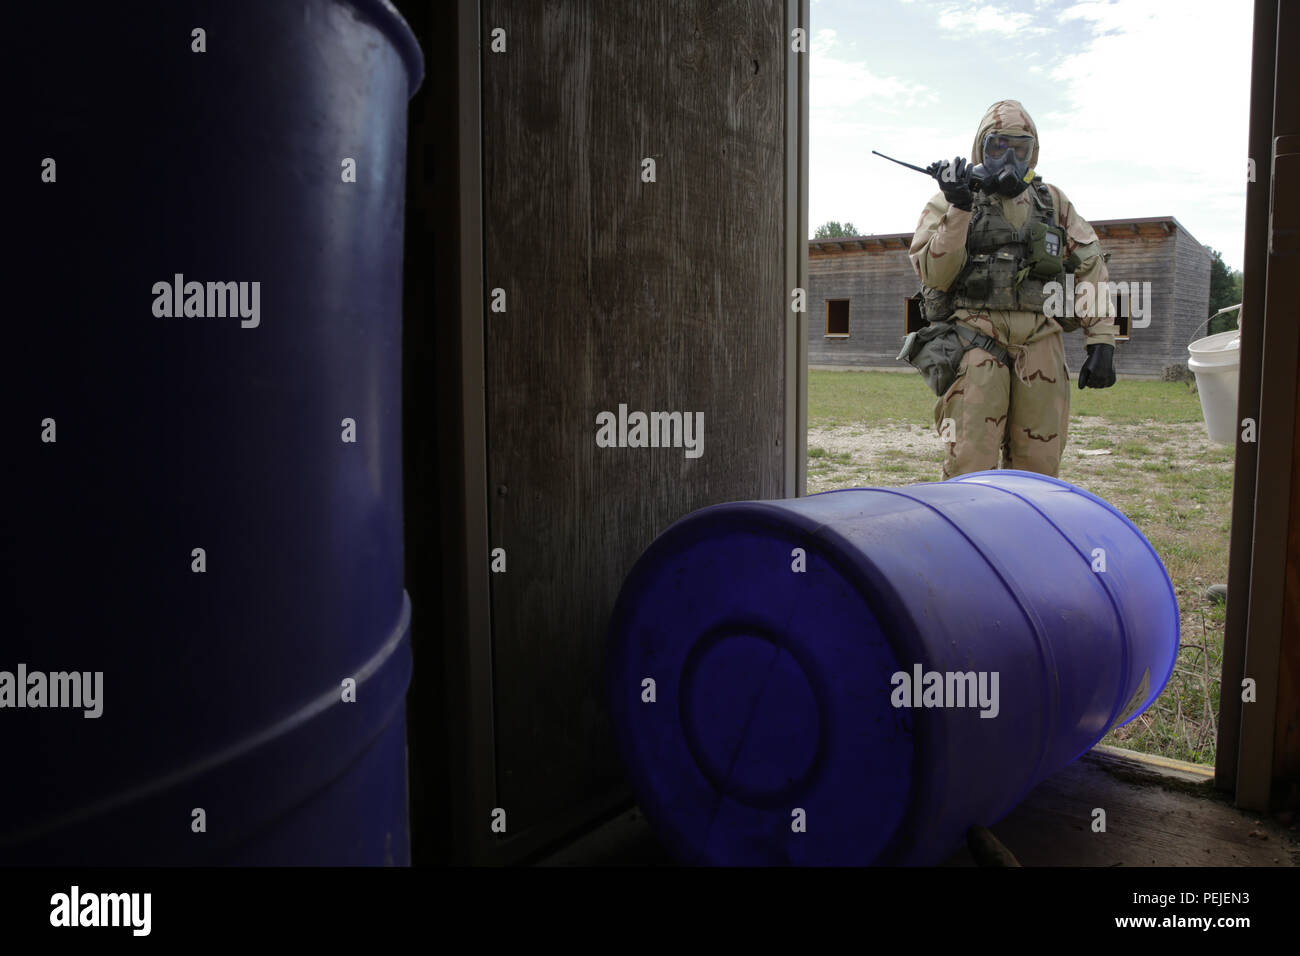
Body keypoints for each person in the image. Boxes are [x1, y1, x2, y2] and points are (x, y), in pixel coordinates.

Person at [908, 99, 1119, 479]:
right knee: (969, 466)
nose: (1009, 158)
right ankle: (965, 538)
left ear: (1033, 153)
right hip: (976, 343)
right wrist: (959, 208)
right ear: (981, 148)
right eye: (998, 147)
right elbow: (934, 275)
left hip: (1042, 344)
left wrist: (1101, 339)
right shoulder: (950, 199)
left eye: (1020, 149)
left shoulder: (1052, 201)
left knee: (1039, 468)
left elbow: (1090, 263)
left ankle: (1025, 538)